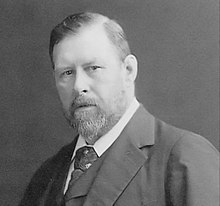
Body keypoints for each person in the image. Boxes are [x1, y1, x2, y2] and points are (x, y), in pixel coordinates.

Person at [19, 12, 219, 206]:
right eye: (67, 72)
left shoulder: (183, 158)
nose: (79, 85)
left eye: (93, 68)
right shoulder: (47, 175)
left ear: (128, 70)